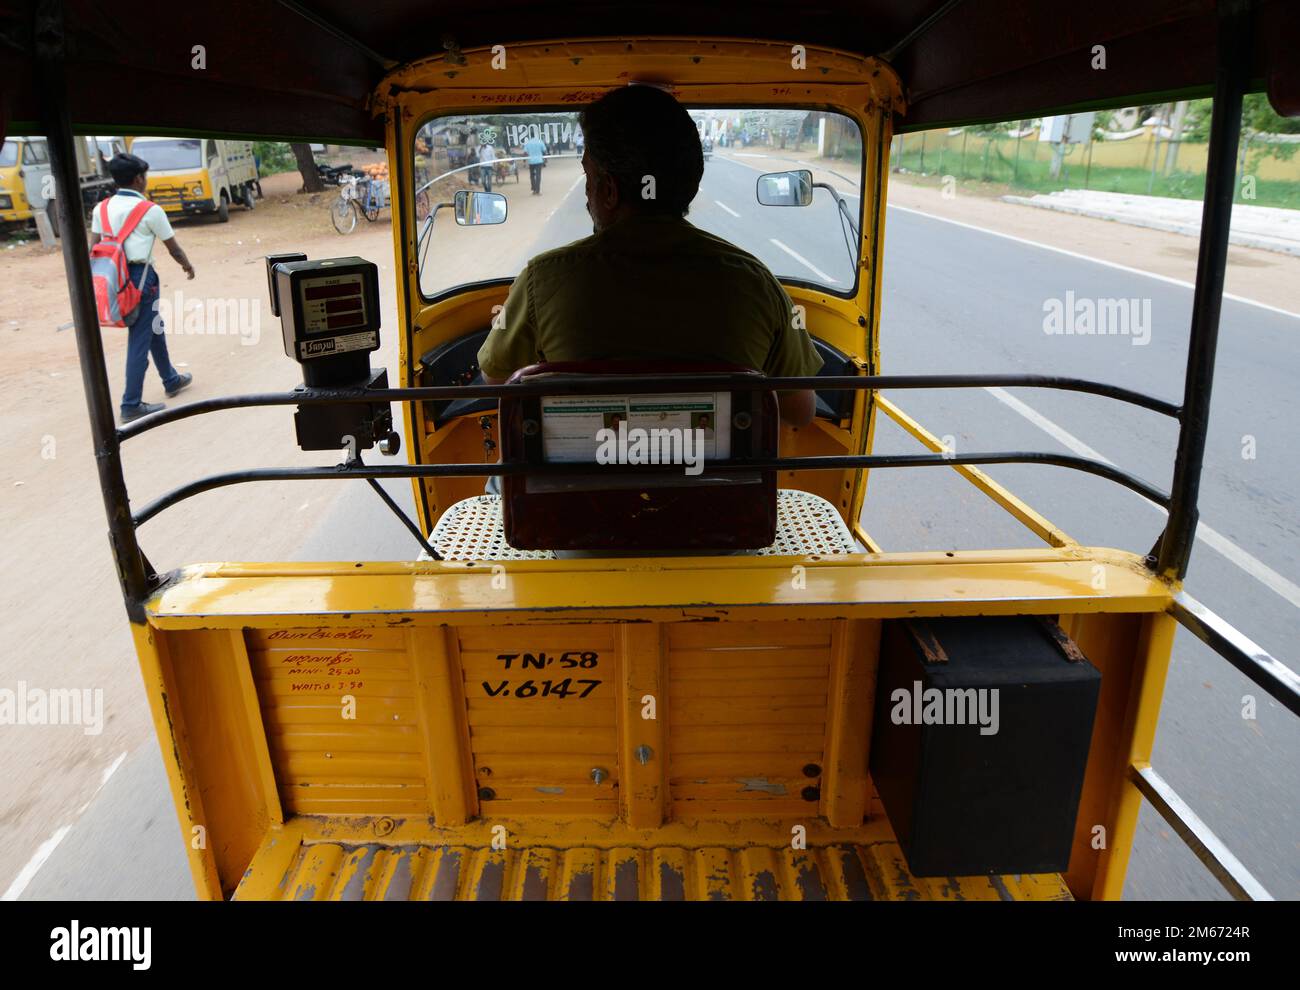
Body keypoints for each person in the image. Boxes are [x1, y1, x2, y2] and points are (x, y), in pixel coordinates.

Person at [478, 85, 821, 428]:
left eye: (589, 178)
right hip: (711, 483)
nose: (586, 193)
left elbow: (496, 382)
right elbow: (800, 412)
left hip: (585, 482)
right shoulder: (755, 281)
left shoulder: (544, 278)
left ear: (609, 190)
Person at [91, 152, 195, 423]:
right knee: (140, 338)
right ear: (139, 179)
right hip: (140, 277)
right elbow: (173, 248)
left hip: (111, 274)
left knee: (153, 327)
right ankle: (131, 403)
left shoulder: (100, 209)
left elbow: (93, 246)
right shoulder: (150, 210)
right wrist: (187, 266)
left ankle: (170, 379)